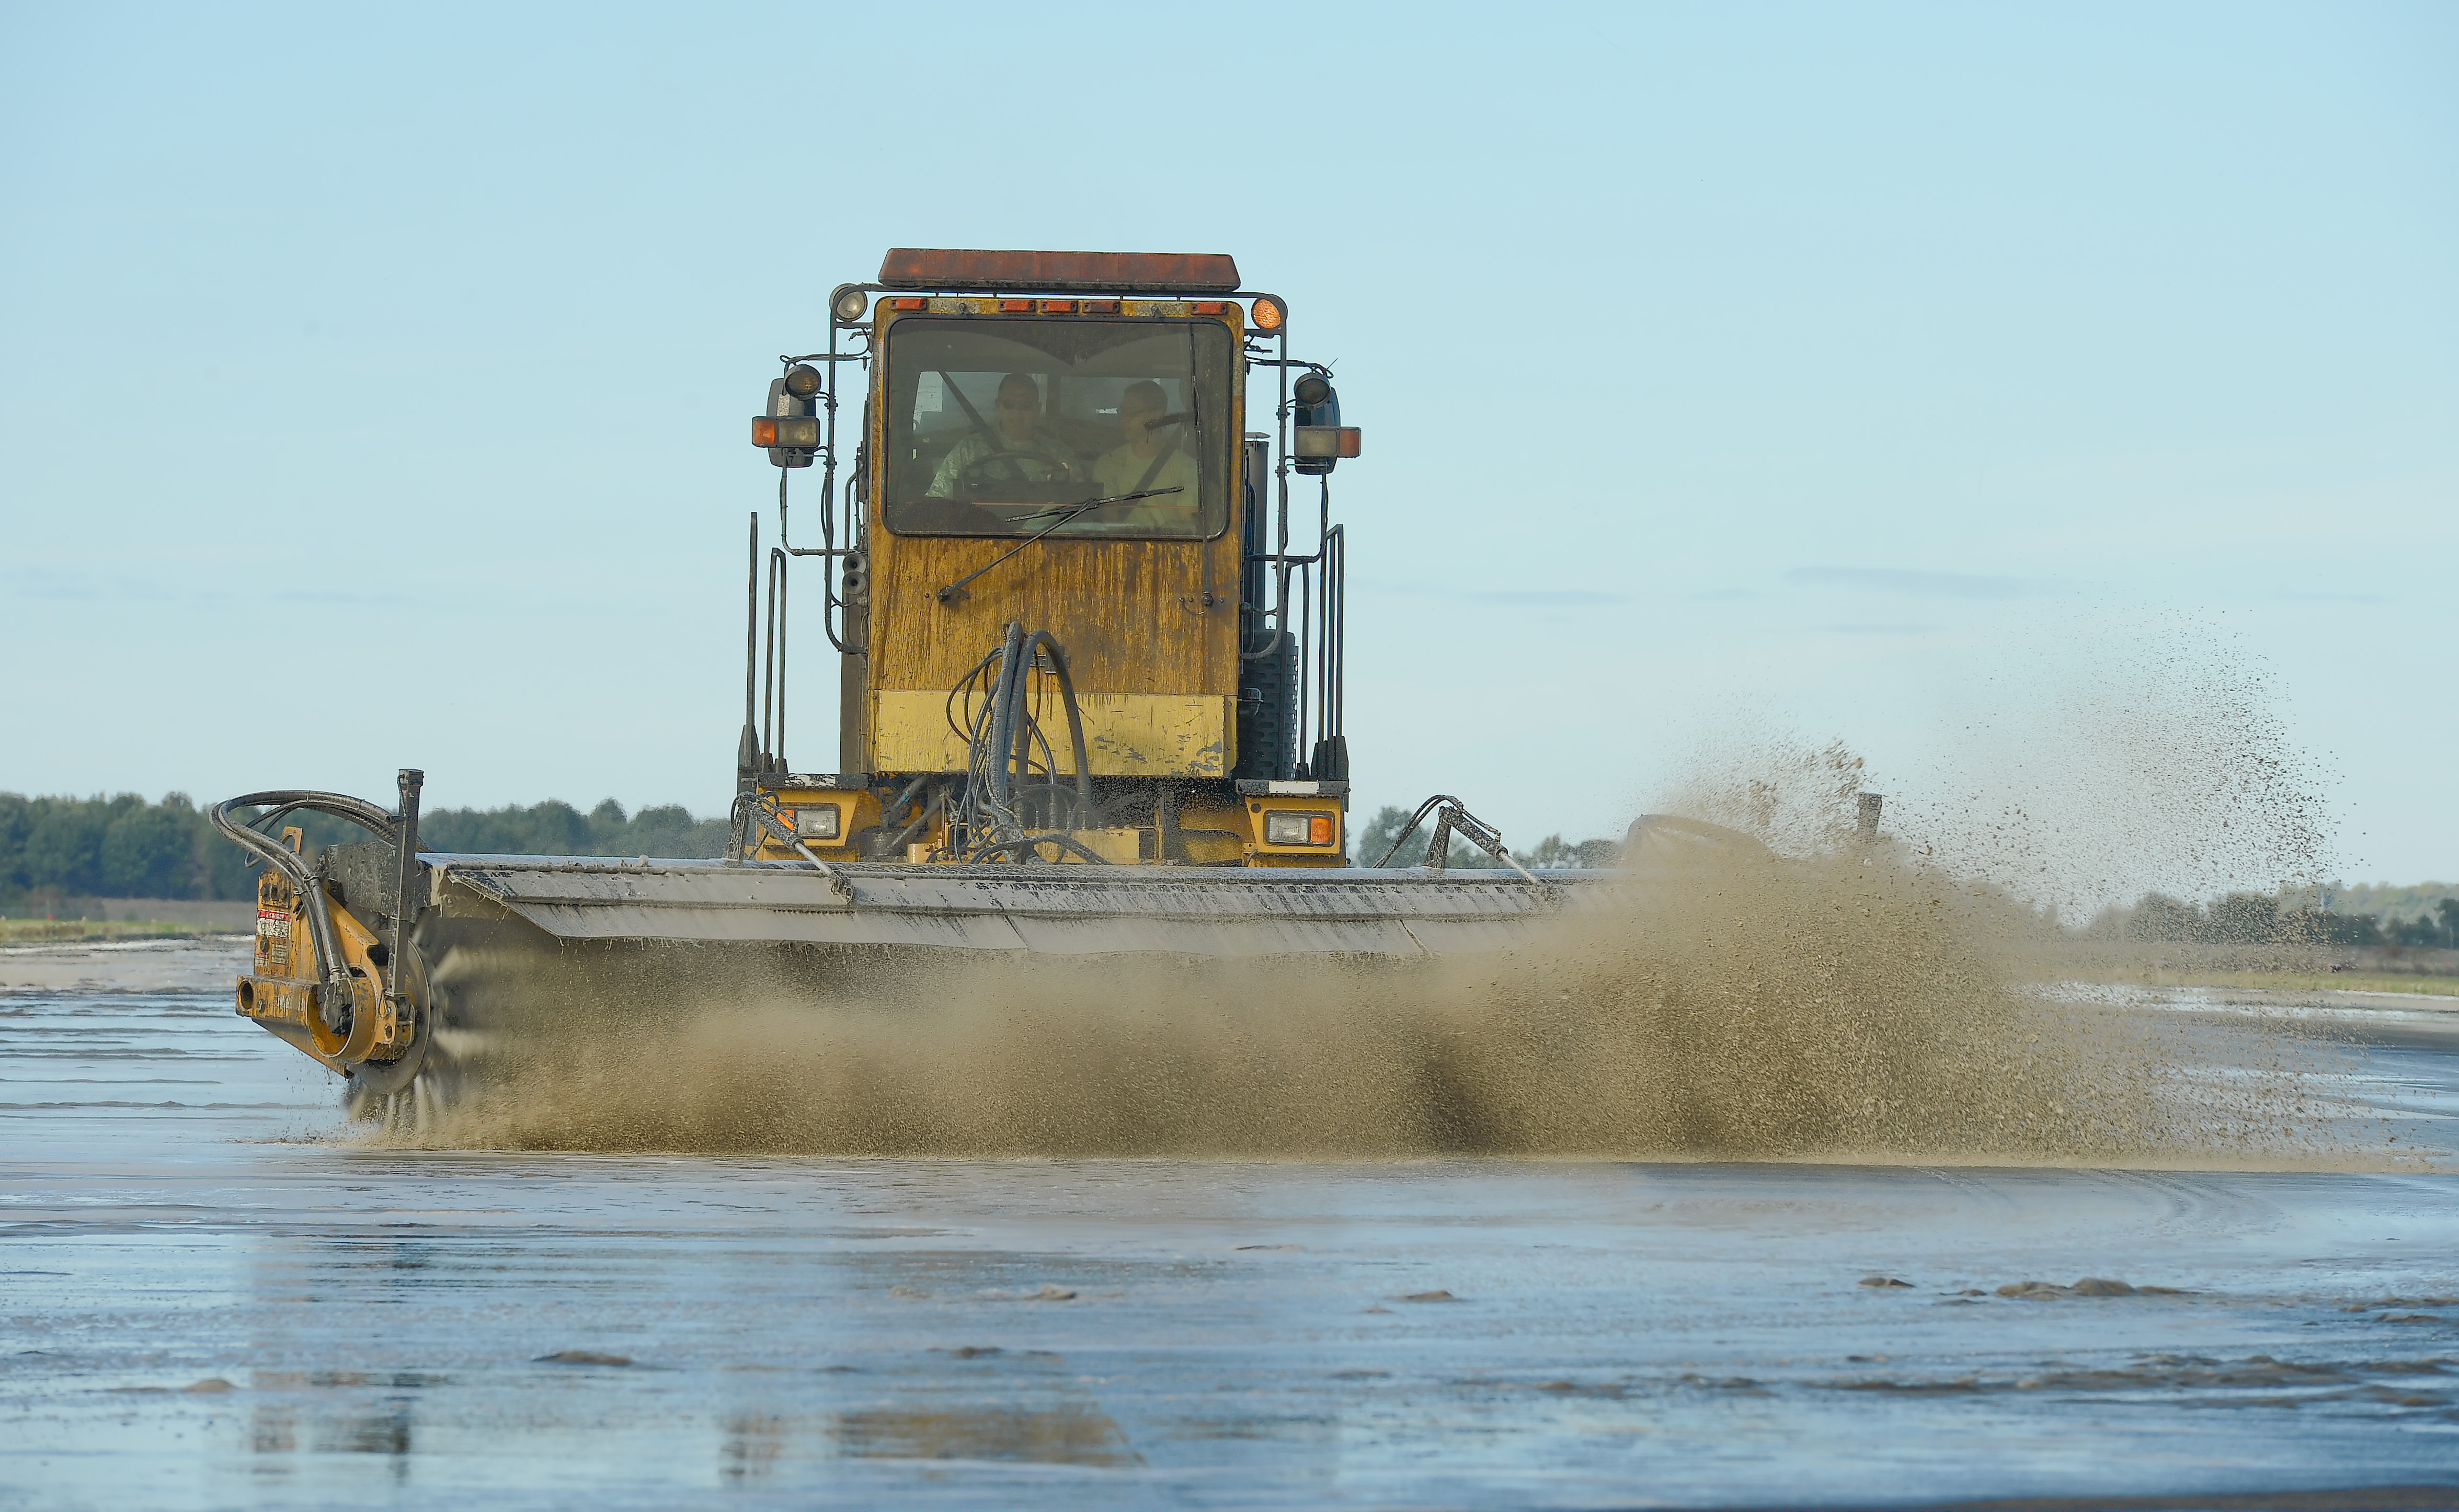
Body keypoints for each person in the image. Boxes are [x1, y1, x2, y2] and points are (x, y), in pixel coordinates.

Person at [927, 372, 1078, 497]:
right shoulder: (969, 450)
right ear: (999, 406)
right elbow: (937, 501)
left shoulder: (1059, 455)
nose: (1017, 413)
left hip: (1043, 531)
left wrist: (1066, 482)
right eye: (1009, 405)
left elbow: (1081, 507)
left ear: (1038, 409)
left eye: (1026, 406)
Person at [1090, 380, 1200, 529]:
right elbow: (1110, 523)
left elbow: (1188, 525)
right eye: (1123, 412)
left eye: (1132, 412)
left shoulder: (1187, 468)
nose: (1124, 420)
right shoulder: (1108, 464)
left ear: (1157, 415)